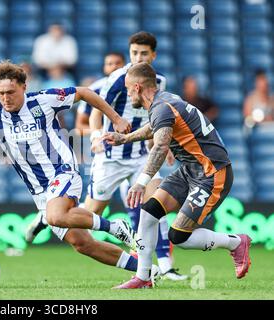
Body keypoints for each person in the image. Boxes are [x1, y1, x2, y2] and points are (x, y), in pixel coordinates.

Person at [0, 61, 161, 282]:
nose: (5, 98)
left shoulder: (44, 100)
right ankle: (146, 270)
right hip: (40, 192)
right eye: (0, 93)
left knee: (54, 216)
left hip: (63, 172)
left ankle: (115, 227)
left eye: (10, 92)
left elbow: (83, 92)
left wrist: (116, 118)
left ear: (24, 86)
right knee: (83, 244)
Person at [29, 31, 185, 280]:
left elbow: (161, 116)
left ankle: (164, 266)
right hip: (111, 156)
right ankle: (48, 217)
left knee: (156, 204)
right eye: (134, 52)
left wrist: (166, 145)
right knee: (88, 216)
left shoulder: (159, 82)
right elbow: (95, 110)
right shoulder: (117, 79)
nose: (139, 57)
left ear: (153, 55)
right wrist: (96, 136)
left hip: (141, 155)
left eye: (144, 53)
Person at [103, 62, 252, 289]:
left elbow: (161, 146)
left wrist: (141, 183)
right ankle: (143, 277)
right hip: (190, 170)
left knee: (179, 236)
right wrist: (125, 138)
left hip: (212, 173)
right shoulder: (164, 101)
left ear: (137, 87)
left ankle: (236, 243)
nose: (127, 93)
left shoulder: (161, 107)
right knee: (149, 213)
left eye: (128, 89)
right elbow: (155, 128)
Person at [75, 52, 126, 136]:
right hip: (103, 142)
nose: (114, 66)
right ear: (104, 67)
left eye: (118, 63)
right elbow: (79, 127)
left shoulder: (133, 88)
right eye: (109, 64)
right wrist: (102, 131)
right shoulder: (93, 90)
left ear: (124, 66)